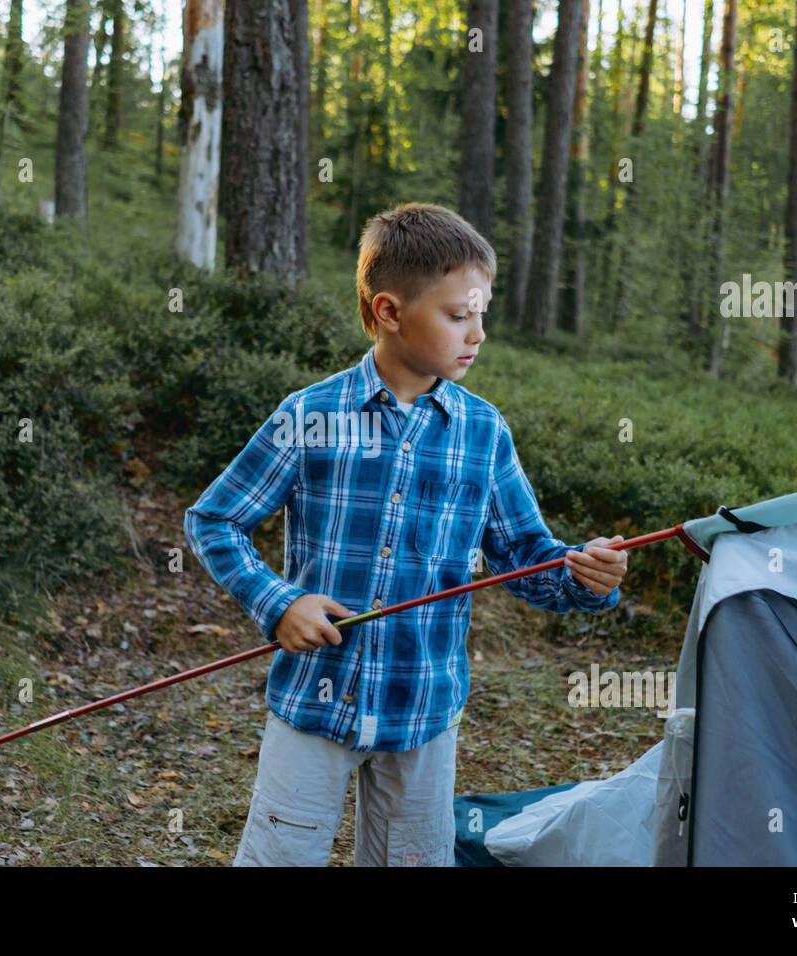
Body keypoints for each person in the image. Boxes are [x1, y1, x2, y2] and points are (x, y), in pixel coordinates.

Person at [184, 202, 629, 866]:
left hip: (423, 713)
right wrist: (278, 603)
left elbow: (529, 557)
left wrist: (583, 576)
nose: (478, 333)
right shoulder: (310, 414)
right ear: (390, 311)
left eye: (482, 312)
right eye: (458, 316)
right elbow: (214, 520)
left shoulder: (483, 433)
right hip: (313, 703)